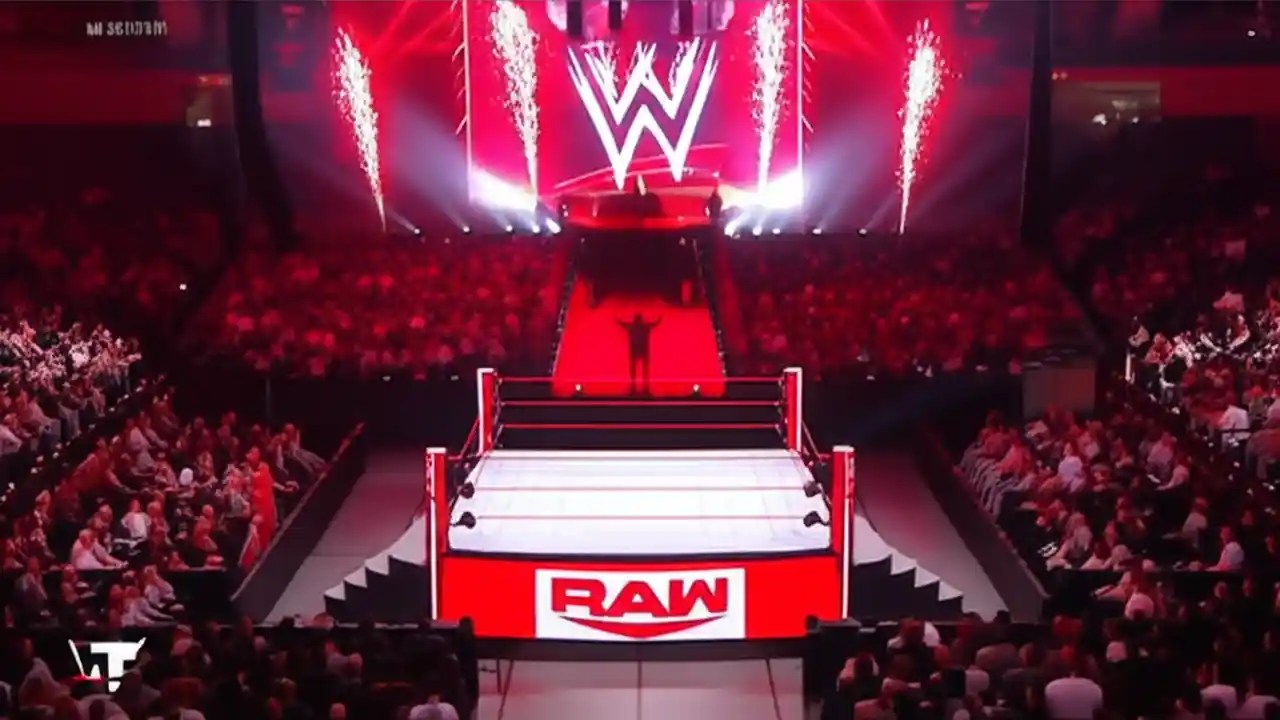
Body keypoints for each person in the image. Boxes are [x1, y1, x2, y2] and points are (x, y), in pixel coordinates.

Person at [616, 313, 661, 395]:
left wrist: (617, 320)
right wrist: (660, 318)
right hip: (643, 351)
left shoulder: (632, 327)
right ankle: (644, 388)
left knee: (635, 371)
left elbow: (622, 324)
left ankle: (635, 387)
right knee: (644, 371)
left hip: (635, 351)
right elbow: (655, 323)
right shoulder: (645, 327)